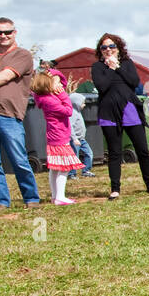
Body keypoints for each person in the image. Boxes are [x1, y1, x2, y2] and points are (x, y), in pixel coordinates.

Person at [91, 33, 149, 200]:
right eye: (104, 47)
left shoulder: (127, 64)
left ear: (118, 48)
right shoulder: (97, 67)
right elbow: (102, 86)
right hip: (109, 112)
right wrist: (109, 68)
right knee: (115, 152)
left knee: (142, 149)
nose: (108, 50)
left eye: (112, 46)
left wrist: (117, 66)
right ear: (100, 50)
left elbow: (133, 81)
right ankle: (115, 189)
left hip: (129, 109)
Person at [0, 17, 40, 207]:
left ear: (15, 32)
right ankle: (1, 201)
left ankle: (31, 198)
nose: (3, 36)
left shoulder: (23, 55)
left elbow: (3, 78)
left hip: (9, 115)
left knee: (19, 160)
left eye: (7, 32)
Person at [30, 69, 84, 204]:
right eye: (56, 83)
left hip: (54, 136)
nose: (60, 85)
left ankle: (56, 196)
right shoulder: (51, 101)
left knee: (55, 168)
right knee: (63, 168)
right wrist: (64, 95)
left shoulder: (43, 97)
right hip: (60, 136)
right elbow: (68, 111)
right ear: (47, 85)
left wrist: (51, 74)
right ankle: (60, 196)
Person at [67, 92, 95, 179]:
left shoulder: (78, 112)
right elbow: (70, 127)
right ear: (76, 103)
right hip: (75, 140)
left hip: (81, 139)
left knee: (89, 153)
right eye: (83, 103)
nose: (84, 105)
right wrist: (74, 138)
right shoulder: (72, 114)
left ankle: (86, 170)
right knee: (74, 156)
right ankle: (71, 173)